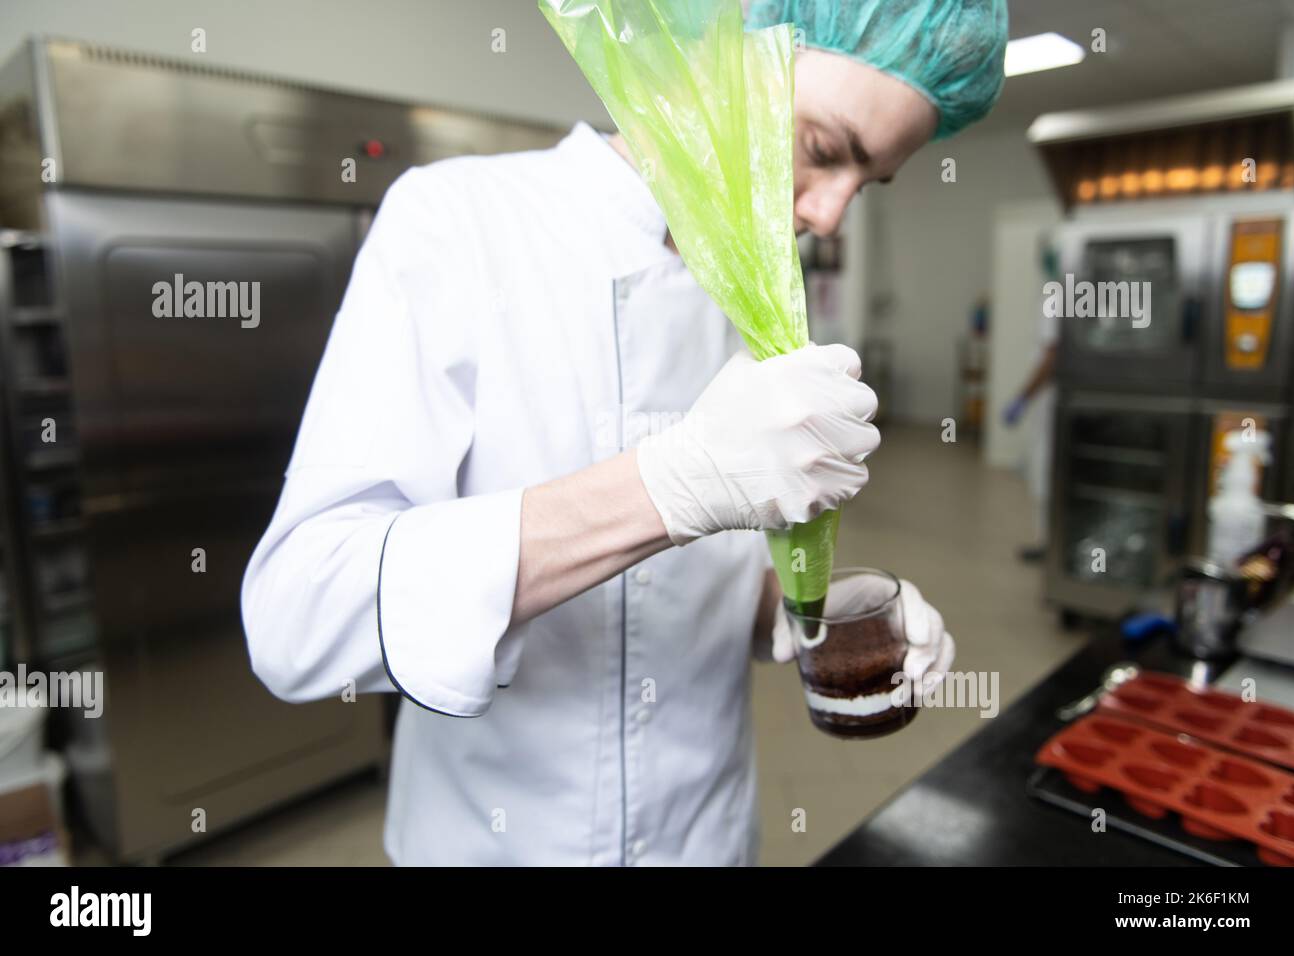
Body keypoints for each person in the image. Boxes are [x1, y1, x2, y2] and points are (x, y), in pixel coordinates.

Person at [242, 0, 1008, 865]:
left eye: (866, 184)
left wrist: (800, 612)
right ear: (710, 55)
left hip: (706, 836)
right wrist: (665, 486)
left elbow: (699, 588)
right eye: (825, 152)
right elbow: (299, 619)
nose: (831, 215)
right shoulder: (459, 221)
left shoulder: (761, 291)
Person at [1003, 233, 1060, 563]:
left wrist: (1022, 398)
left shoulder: (1057, 295)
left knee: (1047, 470)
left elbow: (1051, 355)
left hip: (1051, 401)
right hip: (1051, 401)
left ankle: (1048, 543)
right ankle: (1050, 540)